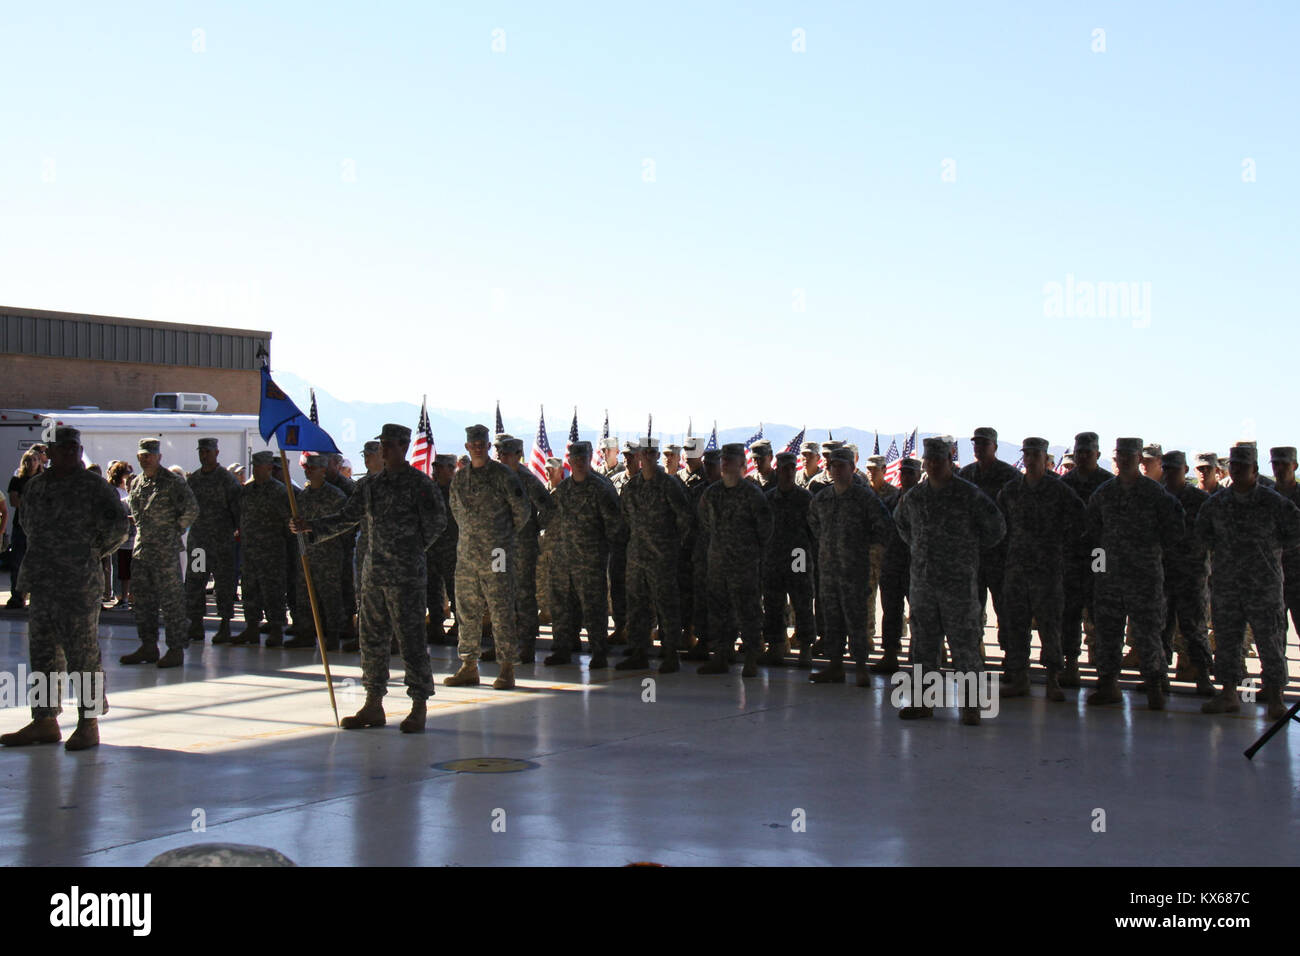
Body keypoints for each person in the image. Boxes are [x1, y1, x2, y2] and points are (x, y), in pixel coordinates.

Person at [293, 424, 448, 731]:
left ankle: (418, 704)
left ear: (403, 447)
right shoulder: (370, 485)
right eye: (382, 445)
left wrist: (412, 550)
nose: (384, 450)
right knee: (372, 640)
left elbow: (437, 522)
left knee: (411, 640)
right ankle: (373, 703)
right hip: (373, 574)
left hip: (406, 577)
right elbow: (348, 517)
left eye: (389, 445)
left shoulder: (419, 484)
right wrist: (312, 528)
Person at [0, 427, 128, 751]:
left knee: (82, 655)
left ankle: (89, 723)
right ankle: (45, 721)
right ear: (51, 451)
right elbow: (27, 523)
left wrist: (90, 551)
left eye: (75, 448)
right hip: (43, 582)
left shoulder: (94, 487)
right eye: (63, 448)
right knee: (43, 654)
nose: (70, 453)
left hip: (78, 585)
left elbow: (119, 526)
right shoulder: (38, 486)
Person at [894, 437, 1005, 724]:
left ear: (949, 461)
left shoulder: (968, 494)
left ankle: (972, 705)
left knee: (965, 646)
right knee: (923, 646)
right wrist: (919, 549)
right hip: (923, 585)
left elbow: (996, 528)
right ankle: (921, 702)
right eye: (928, 461)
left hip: (958, 585)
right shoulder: (915, 497)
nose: (932, 465)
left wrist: (967, 552)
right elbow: (902, 524)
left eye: (938, 460)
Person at [1198, 445, 1300, 720]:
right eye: (1234, 466)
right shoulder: (1217, 503)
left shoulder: (1273, 502)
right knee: (1228, 641)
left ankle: (1275, 697)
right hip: (1228, 585)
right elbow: (1202, 536)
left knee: (1270, 642)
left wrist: (1271, 552)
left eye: (1244, 467)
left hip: (1263, 585)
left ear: (1255, 470)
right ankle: (1229, 694)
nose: (1238, 471)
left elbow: (1294, 533)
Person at [1084, 438, 1184, 710]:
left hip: (1145, 577)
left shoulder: (1154, 493)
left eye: (1129, 455)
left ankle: (1154, 685)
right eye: (1120, 455)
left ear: (1139, 458)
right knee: (1108, 633)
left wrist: (1155, 559)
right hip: (1109, 579)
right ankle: (1108, 685)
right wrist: (1099, 572)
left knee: (1148, 633)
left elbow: (1174, 530)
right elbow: (1094, 536)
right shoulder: (1104, 493)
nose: (1124, 460)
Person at [996, 438, 1085, 701]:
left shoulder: (1058, 490)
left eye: (1036, 454)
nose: (1031, 459)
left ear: (1046, 458)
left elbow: (1081, 521)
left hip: (1048, 571)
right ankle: (1020, 678)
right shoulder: (1011, 490)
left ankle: (1053, 680)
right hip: (1017, 570)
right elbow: (999, 525)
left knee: (1050, 626)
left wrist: (1061, 547)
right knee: (1016, 625)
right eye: (1028, 454)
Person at [444, 424, 532, 690]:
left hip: (497, 553)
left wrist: (501, 536)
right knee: (467, 610)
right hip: (468, 553)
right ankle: (469, 665)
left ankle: (507, 667)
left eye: (482, 443)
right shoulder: (460, 478)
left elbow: (522, 510)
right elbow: (456, 510)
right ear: (468, 447)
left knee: (501, 608)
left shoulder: (503, 475)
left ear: (487, 446)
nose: (478, 447)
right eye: (474, 443)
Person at [808, 447, 894, 686]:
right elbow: (814, 525)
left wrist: (867, 551)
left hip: (854, 571)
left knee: (856, 619)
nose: (836, 469)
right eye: (833, 465)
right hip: (828, 570)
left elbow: (883, 527)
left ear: (852, 468)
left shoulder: (864, 497)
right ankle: (835, 666)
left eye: (841, 465)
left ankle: (860, 667)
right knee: (832, 619)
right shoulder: (822, 499)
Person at [120, 439, 199, 668]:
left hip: (165, 552)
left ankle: (175, 649)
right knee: (144, 602)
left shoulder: (172, 482)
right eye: (143, 455)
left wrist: (175, 529)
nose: (146, 459)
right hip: (142, 550)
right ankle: (148, 646)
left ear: (159, 457)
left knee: (172, 602)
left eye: (150, 455)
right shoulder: (137, 483)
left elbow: (192, 508)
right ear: (138, 457)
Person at [545, 441, 625, 667]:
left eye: (583, 458)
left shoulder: (601, 488)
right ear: (569, 461)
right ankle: (563, 648)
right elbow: (551, 520)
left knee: (593, 607)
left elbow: (614, 527)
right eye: (575, 459)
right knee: (561, 606)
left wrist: (603, 555)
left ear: (590, 459)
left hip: (590, 560)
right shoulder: (563, 489)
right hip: (563, 560)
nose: (579, 463)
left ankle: (599, 651)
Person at [696, 443, 773, 676]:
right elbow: (706, 524)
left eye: (730, 460)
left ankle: (751, 657)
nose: (725, 463)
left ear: (742, 464)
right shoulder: (712, 493)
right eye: (723, 460)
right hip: (718, 564)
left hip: (744, 566)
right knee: (718, 612)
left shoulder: (752, 494)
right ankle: (721, 655)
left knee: (748, 611)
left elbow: (765, 531)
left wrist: (748, 554)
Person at [618, 436, 692, 672]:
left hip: (662, 557)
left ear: (657, 456)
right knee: (637, 606)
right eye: (644, 453)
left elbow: (685, 518)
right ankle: (639, 651)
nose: (648, 457)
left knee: (667, 606)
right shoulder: (632, 487)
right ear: (639, 456)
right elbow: (626, 518)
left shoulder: (669, 485)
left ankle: (670, 653)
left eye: (652, 453)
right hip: (637, 557)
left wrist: (671, 544)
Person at [958, 427, 1020, 658]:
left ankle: (1012, 656)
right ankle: (975, 650)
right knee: (972, 606)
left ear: (995, 446)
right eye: (976, 444)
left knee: (1006, 608)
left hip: (1001, 555)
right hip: (972, 556)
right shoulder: (965, 475)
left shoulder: (1010, 476)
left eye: (984, 444)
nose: (979, 448)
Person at [1158, 450, 1215, 695]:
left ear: (1185, 471)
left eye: (1175, 469)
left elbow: (1212, 534)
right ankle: (1158, 677)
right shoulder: (1156, 497)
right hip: (1161, 574)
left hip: (1192, 575)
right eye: (1167, 468)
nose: (1170, 473)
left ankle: (1203, 676)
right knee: (1160, 627)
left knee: (1194, 628)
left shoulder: (1200, 500)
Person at [495, 435, 555, 663]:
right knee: (500, 593)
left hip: (522, 547)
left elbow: (548, 507)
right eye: (500, 453)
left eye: (507, 453)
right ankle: (502, 645)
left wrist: (532, 528)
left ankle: (527, 644)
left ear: (518, 455)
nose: (502, 457)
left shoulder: (526, 479)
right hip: (499, 546)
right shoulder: (496, 477)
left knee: (523, 595)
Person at [1059, 432, 1114, 685]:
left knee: (1100, 610)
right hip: (1071, 555)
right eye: (1079, 452)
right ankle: (1070, 663)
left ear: (1098, 455)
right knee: (1069, 612)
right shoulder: (1065, 483)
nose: (1082, 457)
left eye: (1088, 453)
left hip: (1097, 554)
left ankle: (1104, 668)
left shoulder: (1107, 484)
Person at [287, 454, 348, 651]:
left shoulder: (336, 496)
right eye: (307, 468)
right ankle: (306, 632)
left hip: (328, 554)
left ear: (323, 470)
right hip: (306, 551)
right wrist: (293, 526)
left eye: (312, 468)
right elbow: (295, 521)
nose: (308, 471)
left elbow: (343, 524)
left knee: (330, 595)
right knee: (304, 594)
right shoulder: (302, 497)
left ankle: (332, 634)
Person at [761, 451, 816, 667]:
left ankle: (805, 648)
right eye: (784, 469)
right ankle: (775, 646)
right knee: (773, 603)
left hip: (798, 556)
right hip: (773, 556)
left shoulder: (805, 498)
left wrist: (805, 550)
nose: (788, 473)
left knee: (801, 601)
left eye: (792, 469)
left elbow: (814, 529)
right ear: (778, 470)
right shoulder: (768, 498)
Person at [185, 438, 242, 645]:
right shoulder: (194, 480)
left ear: (216, 453)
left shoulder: (227, 480)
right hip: (199, 544)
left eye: (208, 452)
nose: (204, 455)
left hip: (221, 544)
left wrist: (235, 532)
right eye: (201, 451)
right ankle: (196, 624)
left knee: (224, 584)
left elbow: (238, 510)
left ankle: (225, 624)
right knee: (195, 581)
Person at [231, 451, 292, 647]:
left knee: (273, 591)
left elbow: (287, 524)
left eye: (260, 466)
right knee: (249, 590)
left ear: (269, 468)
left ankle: (276, 629)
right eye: (254, 466)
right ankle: (251, 628)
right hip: (250, 550)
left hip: (272, 551)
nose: (256, 470)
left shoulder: (279, 491)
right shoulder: (247, 491)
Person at [875, 457, 922, 674]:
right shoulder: (892, 499)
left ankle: (920, 656)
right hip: (893, 562)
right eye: (903, 473)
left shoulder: (924, 501)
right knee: (891, 610)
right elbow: (881, 525)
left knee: (920, 612)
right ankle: (890, 654)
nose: (906, 477)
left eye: (910, 473)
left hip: (917, 564)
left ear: (919, 476)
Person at [426, 452, 459, 646]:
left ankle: (459, 625)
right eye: (435, 466)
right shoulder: (429, 490)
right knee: (432, 588)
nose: (437, 470)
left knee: (455, 589)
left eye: (441, 466)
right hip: (431, 547)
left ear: (451, 469)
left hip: (453, 548)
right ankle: (436, 624)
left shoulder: (458, 491)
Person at [5, 449, 44, 609]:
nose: (32, 463)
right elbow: (14, 501)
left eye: (35, 460)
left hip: (38, 527)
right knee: (17, 563)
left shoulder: (42, 480)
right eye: (28, 460)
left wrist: (26, 499)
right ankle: (17, 596)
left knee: (37, 563)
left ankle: (36, 597)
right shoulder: (16, 480)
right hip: (20, 526)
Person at [106, 460, 135, 608]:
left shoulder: (131, 495)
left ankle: (129, 596)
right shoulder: (116, 493)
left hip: (134, 540)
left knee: (130, 570)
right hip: (121, 538)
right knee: (120, 569)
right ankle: (120, 595)